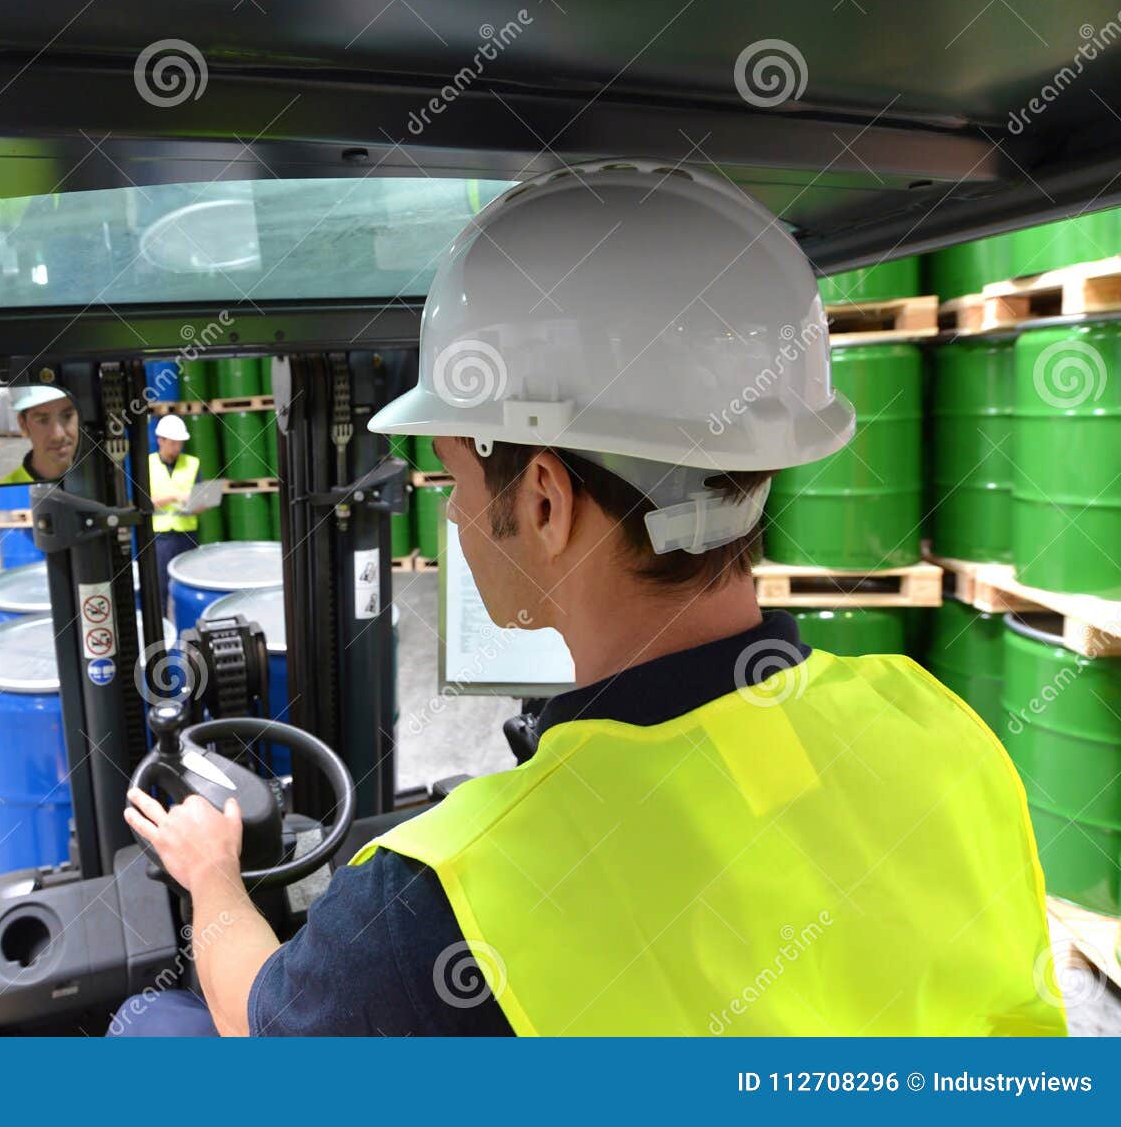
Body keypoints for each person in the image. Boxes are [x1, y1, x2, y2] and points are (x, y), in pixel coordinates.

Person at [115, 160, 1067, 1037]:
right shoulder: (938, 729)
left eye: (450, 477)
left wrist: (211, 878)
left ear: (541, 498)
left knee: (149, 1030)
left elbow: (265, 1027)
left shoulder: (441, 904)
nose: (448, 517)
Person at [148, 414, 200, 597]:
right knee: (161, 586)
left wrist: (200, 502)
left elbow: (198, 500)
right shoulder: (147, 465)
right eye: (173, 442)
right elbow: (142, 503)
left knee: (190, 582)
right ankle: (163, 623)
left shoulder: (192, 463)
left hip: (188, 535)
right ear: (160, 440)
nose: (178, 446)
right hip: (161, 537)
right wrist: (174, 496)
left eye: (180, 442)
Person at [0, 385, 79, 483]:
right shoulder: (8, 492)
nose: (58, 435)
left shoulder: (98, 476)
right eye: (42, 420)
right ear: (23, 424)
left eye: (67, 416)